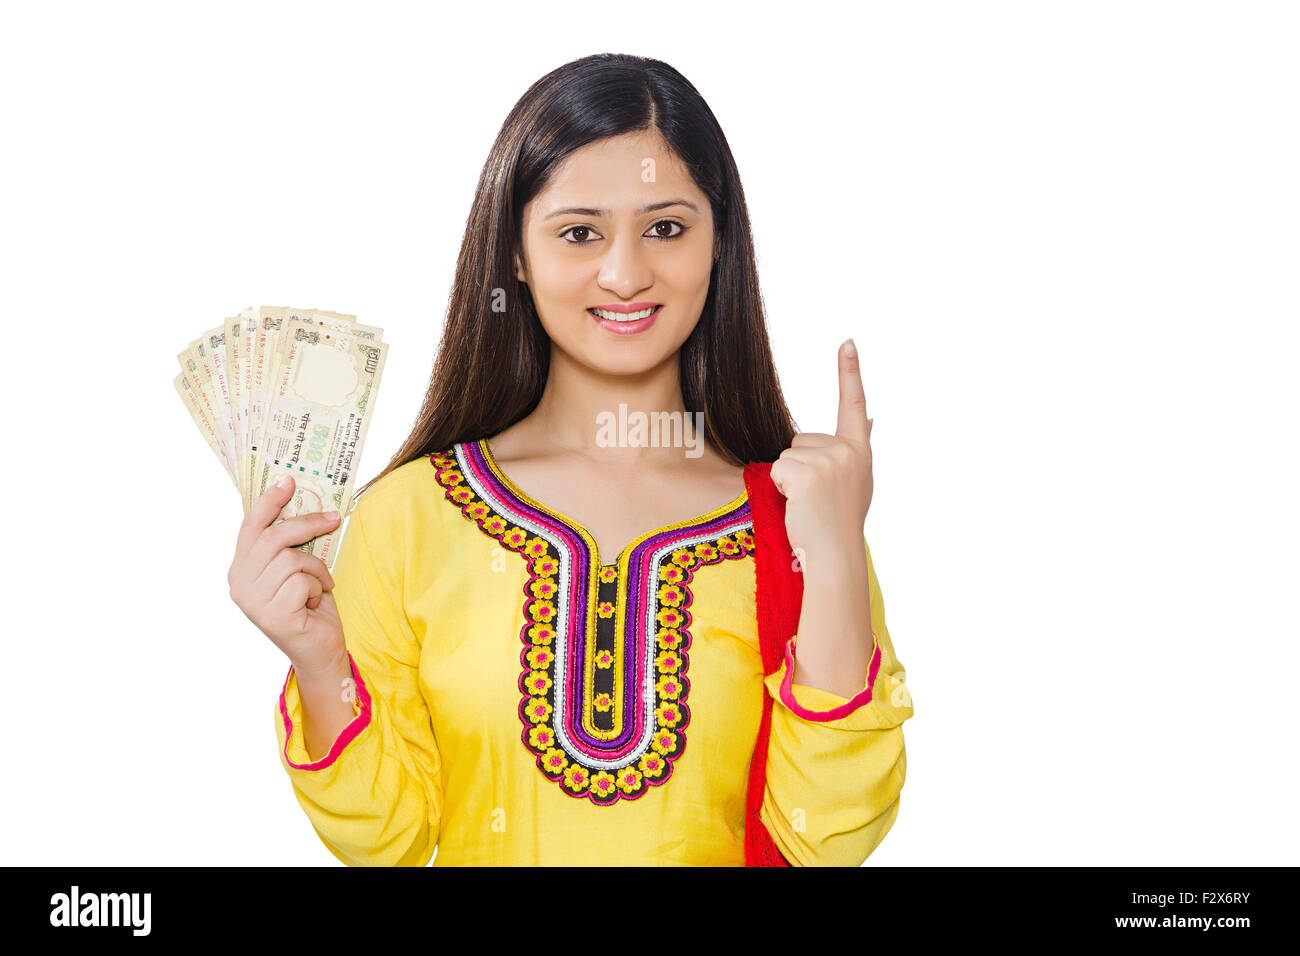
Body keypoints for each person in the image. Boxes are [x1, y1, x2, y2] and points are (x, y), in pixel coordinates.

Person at [227, 52, 914, 866]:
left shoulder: (798, 519)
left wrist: (832, 561)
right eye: (579, 232)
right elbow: (391, 839)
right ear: (514, 254)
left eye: (666, 227)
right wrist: (320, 662)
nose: (624, 274)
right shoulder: (410, 516)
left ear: (719, 243)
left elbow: (827, 838)